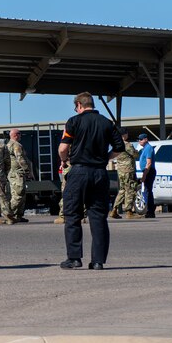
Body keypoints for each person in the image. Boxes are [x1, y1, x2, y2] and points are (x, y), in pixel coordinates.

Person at [58, 92, 123, 270]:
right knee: (98, 216)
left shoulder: (73, 121)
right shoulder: (107, 123)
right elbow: (119, 147)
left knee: (72, 214)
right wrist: (105, 159)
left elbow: (63, 147)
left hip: (78, 172)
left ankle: (74, 258)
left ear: (79, 105)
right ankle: (98, 261)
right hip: (100, 173)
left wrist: (64, 160)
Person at [109, 128, 139, 220]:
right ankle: (129, 211)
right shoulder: (128, 145)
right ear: (124, 135)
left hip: (120, 170)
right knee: (130, 189)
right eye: (126, 134)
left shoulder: (116, 145)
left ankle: (114, 209)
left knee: (122, 190)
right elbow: (135, 155)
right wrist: (137, 152)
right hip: (128, 170)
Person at [6, 129, 32, 222]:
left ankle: (18, 216)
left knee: (20, 194)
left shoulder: (8, 145)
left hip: (13, 173)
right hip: (17, 173)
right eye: (20, 134)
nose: (21, 136)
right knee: (19, 194)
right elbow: (20, 159)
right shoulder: (16, 145)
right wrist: (28, 171)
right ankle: (9, 214)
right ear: (16, 135)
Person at [136, 133, 156, 218]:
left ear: (146, 139)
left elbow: (149, 163)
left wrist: (144, 175)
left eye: (141, 139)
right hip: (147, 171)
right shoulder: (144, 148)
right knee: (146, 191)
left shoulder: (148, 148)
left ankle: (150, 211)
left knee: (148, 191)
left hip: (149, 171)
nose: (139, 141)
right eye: (139, 139)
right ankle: (149, 211)